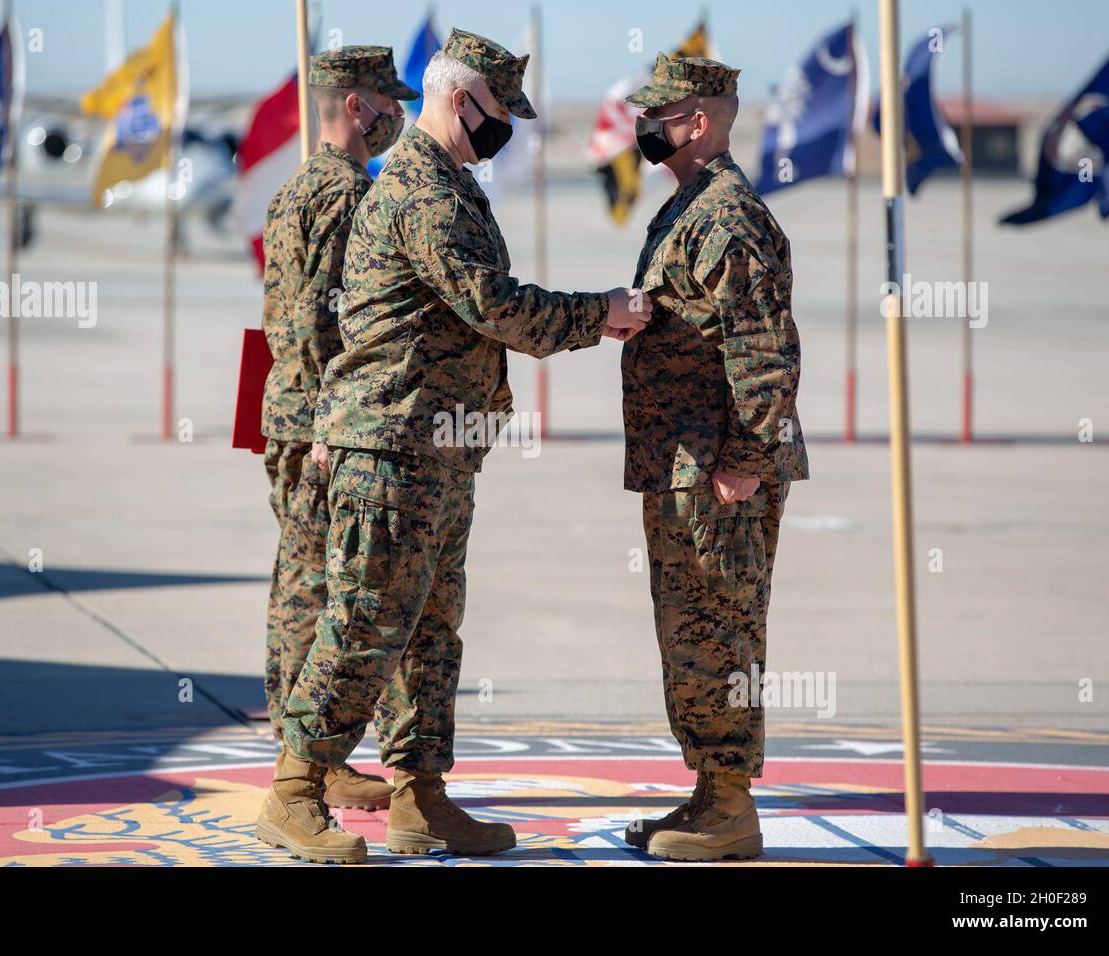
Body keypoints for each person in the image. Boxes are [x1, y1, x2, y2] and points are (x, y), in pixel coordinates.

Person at [256, 28, 647, 864]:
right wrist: (598, 313)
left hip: (438, 449)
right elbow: (494, 304)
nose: (507, 124)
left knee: (431, 631)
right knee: (365, 620)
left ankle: (420, 795)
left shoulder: (451, 186)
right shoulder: (422, 192)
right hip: (392, 444)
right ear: (461, 98)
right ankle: (294, 789)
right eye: (501, 108)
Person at [618, 53, 809, 861]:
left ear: (697, 122)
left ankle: (730, 805)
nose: (642, 130)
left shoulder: (726, 215)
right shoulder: (689, 207)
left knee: (720, 634)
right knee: (690, 634)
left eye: (656, 117)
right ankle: (709, 792)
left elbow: (767, 354)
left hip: (718, 472)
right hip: (682, 464)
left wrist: (747, 459)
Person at [259, 45, 416, 812]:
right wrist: (333, 421)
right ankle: (310, 758)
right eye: (390, 104)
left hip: (282, 406)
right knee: (327, 591)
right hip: (323, 417)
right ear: (357, 106)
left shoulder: (293, 190)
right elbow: (331, 318)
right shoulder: (350, 195)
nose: (398, 118)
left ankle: (306, 749)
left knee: (302, 580)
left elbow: (276, 315)